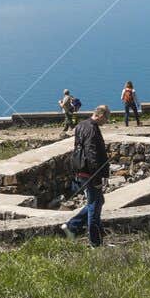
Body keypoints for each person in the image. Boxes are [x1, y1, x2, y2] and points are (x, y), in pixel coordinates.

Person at [64, 104, 110, 247]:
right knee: (94, 206)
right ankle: (95, 243)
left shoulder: (81, 125)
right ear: (101, 115)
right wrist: (97, 177)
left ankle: (72, 226)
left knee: (97, 201)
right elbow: (92, 155)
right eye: (106, 118)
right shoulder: (91, 129)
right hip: (90, 173)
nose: (106, 121)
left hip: (82, 170)